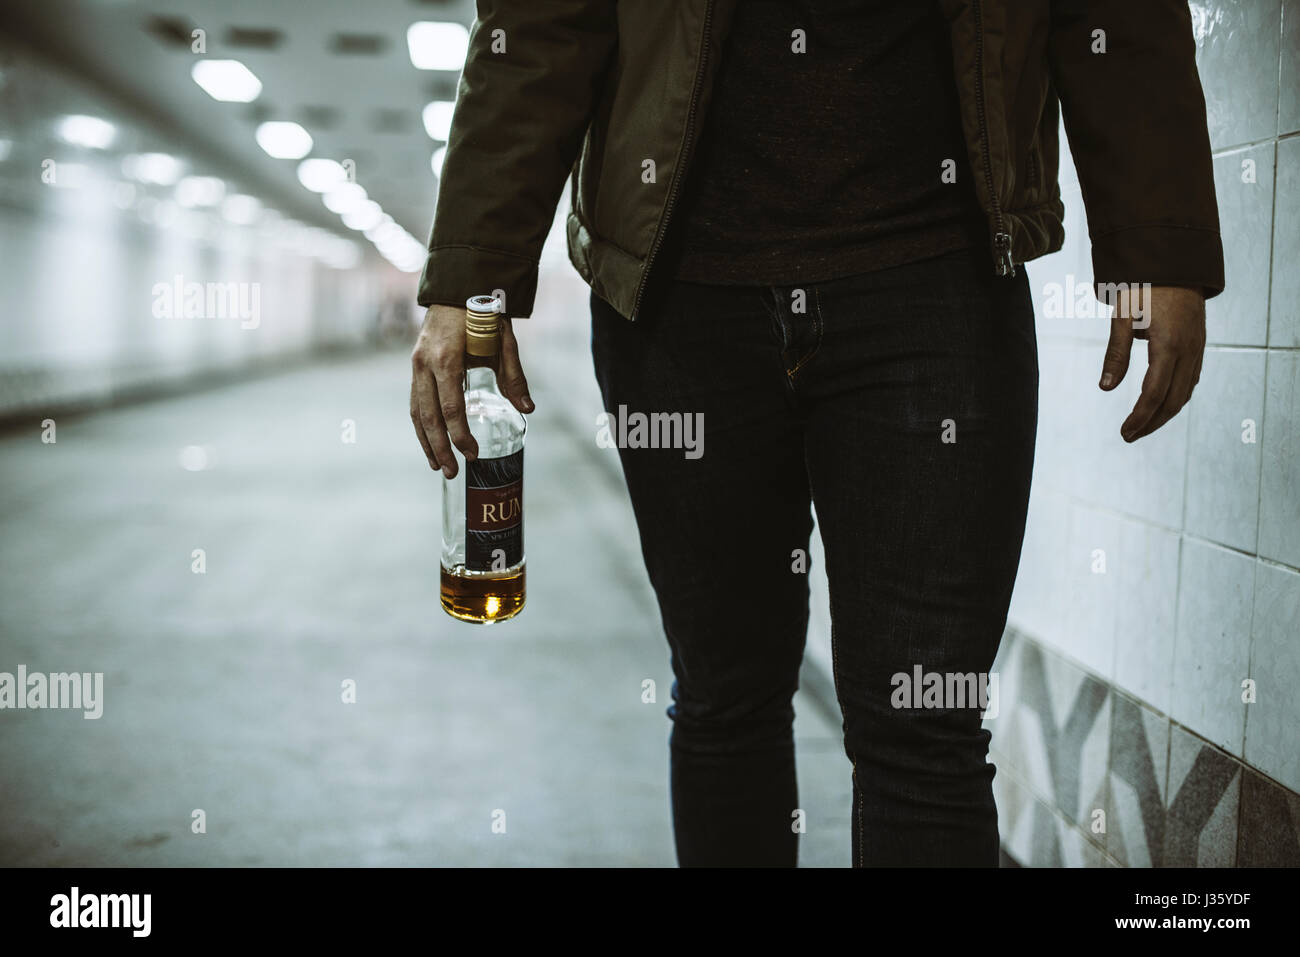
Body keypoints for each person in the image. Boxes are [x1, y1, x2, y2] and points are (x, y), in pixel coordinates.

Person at [409, 0, 1224, 867]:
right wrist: (474, 273)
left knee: (926, 725)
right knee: (726, 698)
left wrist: (1158, 239)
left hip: (936, 280)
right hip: (680, 296)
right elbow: (540, 22)